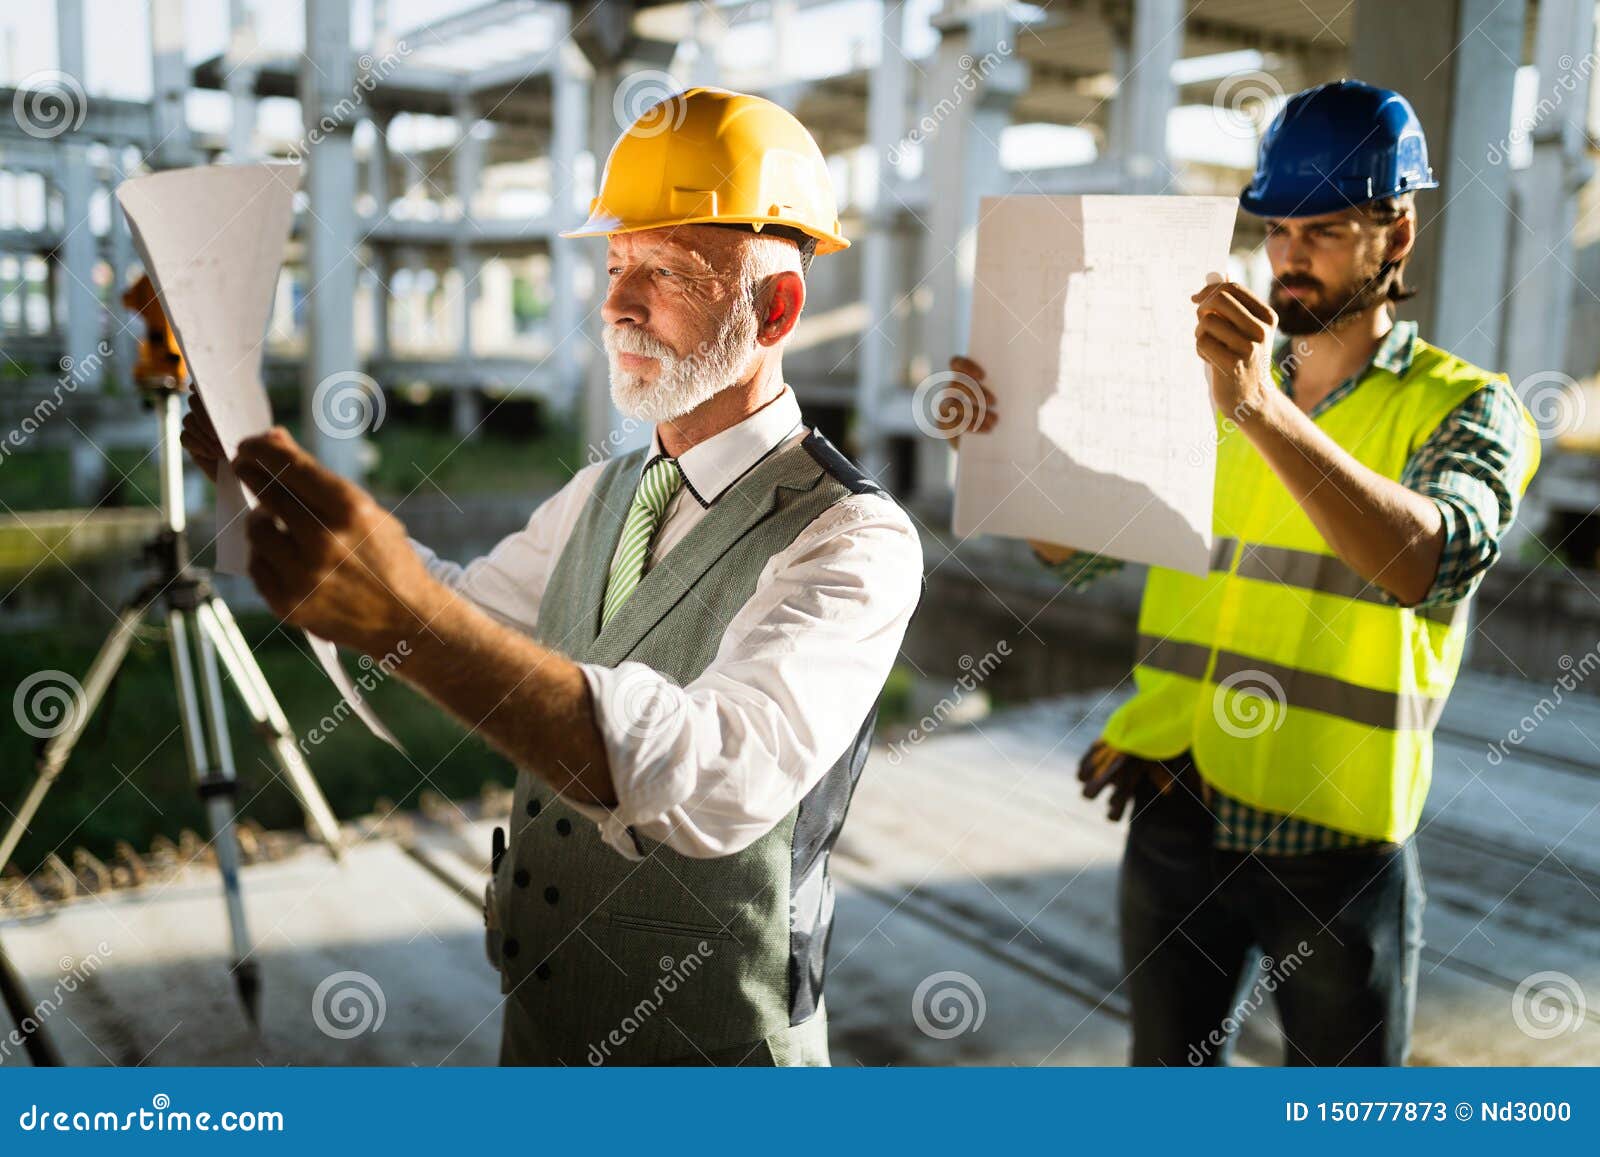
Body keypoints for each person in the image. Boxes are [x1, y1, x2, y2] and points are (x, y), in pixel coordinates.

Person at [182, 86, 923, 1066]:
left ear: (775, 305)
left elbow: (719, 772)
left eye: (661, 270)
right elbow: (459, 607)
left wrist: (406, 612)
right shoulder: (603, 493)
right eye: (615, 264)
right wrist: (260, 482)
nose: (614, 304)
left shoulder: (852, 538)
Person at [941, 80, 1539, 1065]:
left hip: (1333, 845)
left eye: (1326, 228)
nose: (1290, 255)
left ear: (1397, 234)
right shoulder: (1205, 381)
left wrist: (1260, 407)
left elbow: (1434, 561)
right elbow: (1069, 546)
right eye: (1277, 228)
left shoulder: (1468, 407)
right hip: (1175, 809)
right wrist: (997, 440)